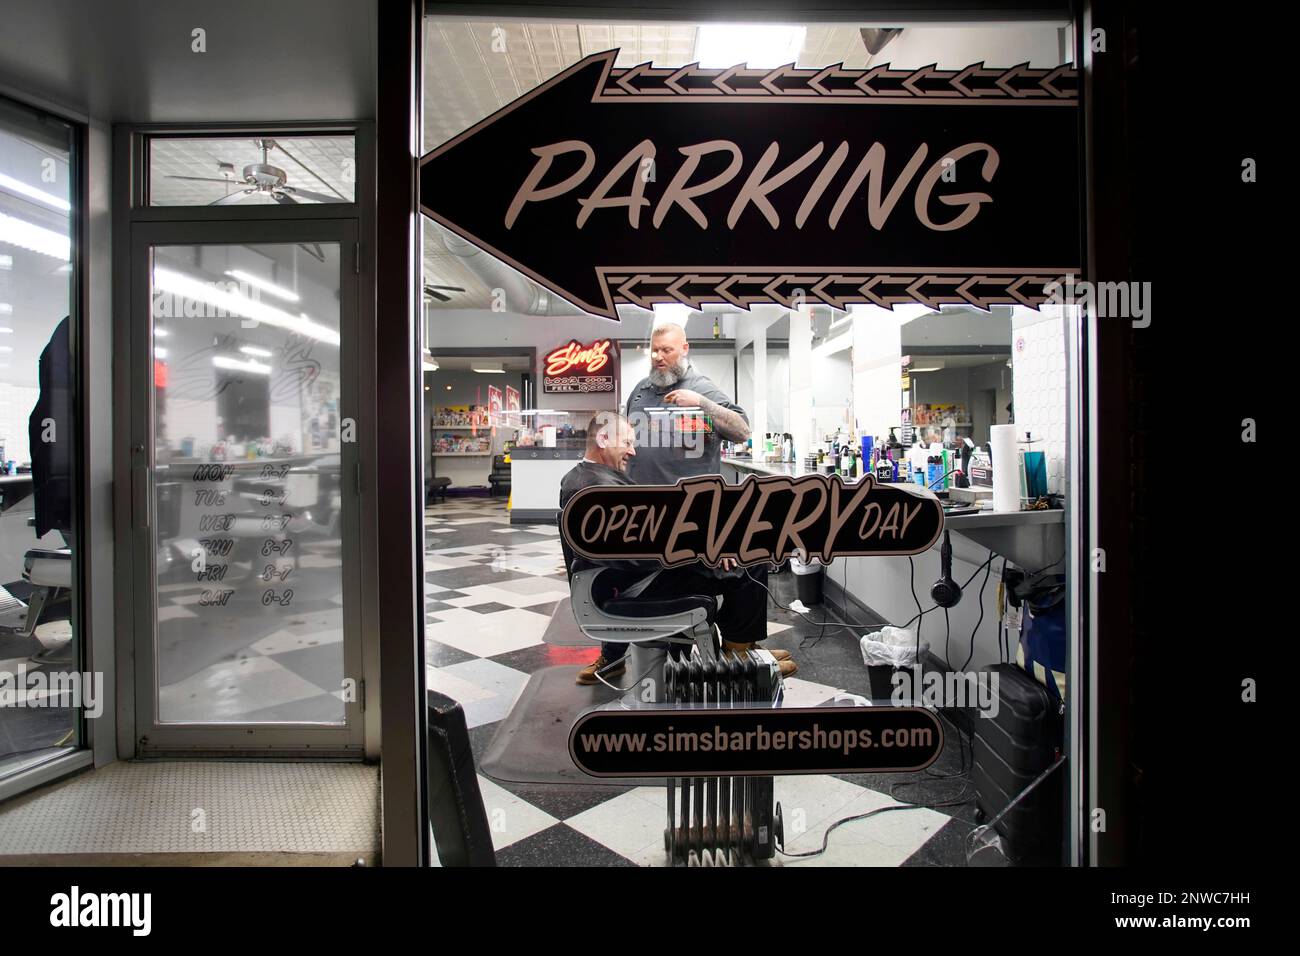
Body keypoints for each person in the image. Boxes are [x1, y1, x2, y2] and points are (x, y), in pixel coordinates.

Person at [559, 411, 793, 686]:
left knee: (729, 556)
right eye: (627, 443)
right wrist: (704, 552)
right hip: (633, 584)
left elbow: (640, 540)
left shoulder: (585, 478)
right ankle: (737, 656)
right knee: (749, 561)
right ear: (603, 438)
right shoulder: (598, 491)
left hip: (625, 577)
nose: (632, 452)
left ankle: (742, 647)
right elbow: (636, 555)